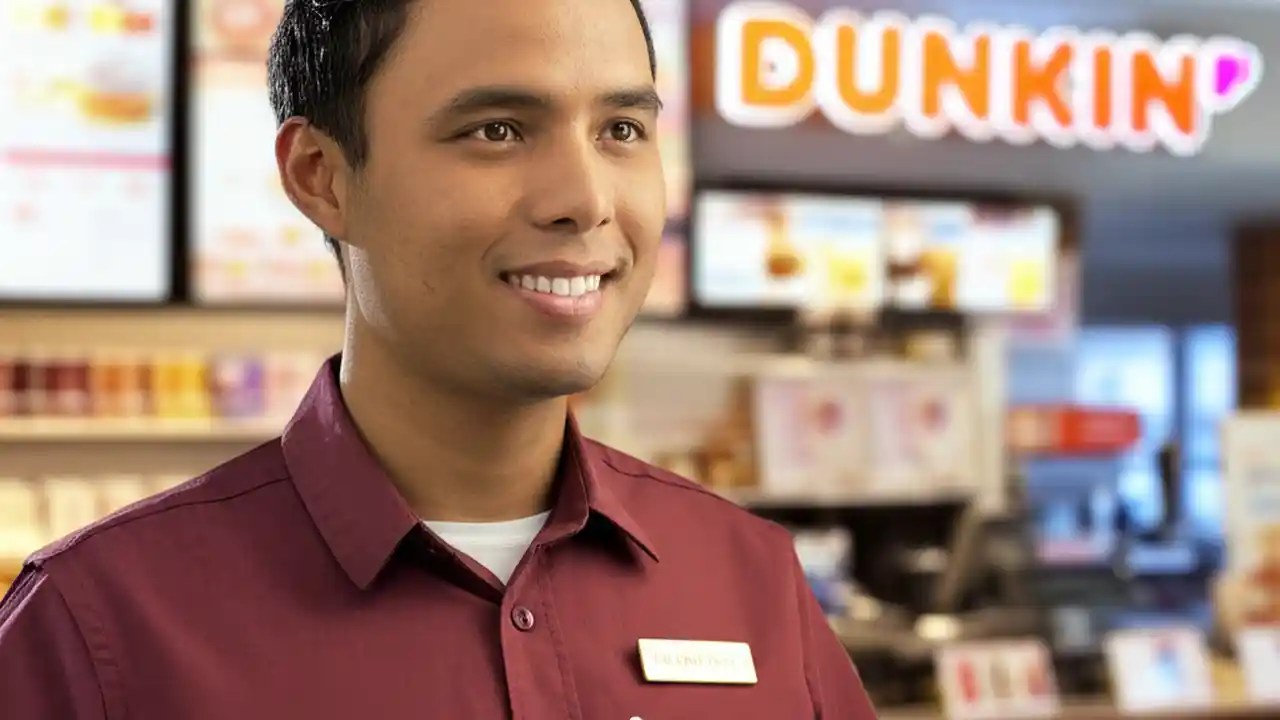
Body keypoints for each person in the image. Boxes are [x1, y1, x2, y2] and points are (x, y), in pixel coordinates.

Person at [0, 0, 879, 717]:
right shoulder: (97, 629)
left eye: (620, 129)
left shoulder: (748, 577)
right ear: (321, 176)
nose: (585, 199)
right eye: (496, 130)